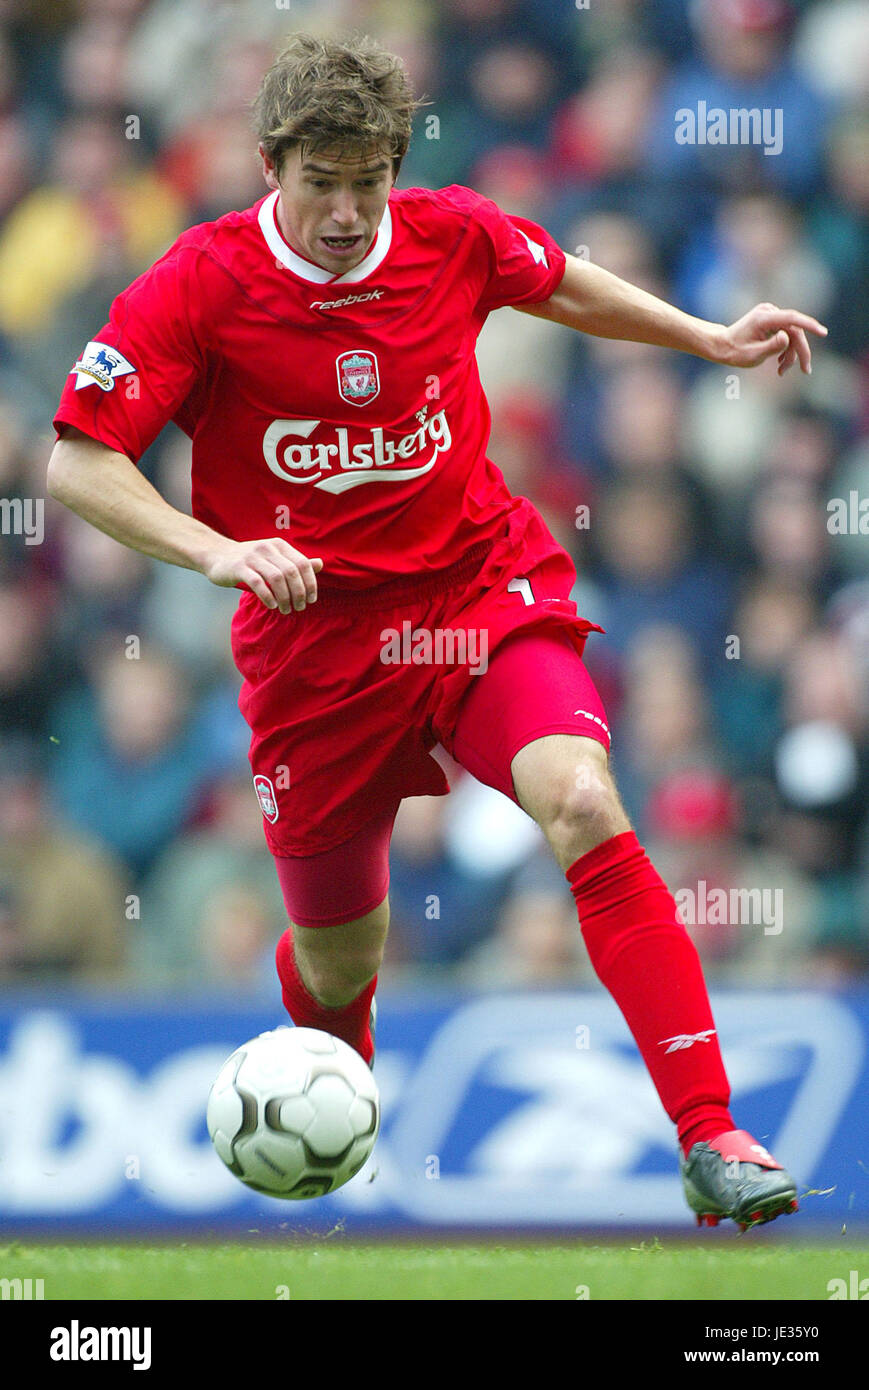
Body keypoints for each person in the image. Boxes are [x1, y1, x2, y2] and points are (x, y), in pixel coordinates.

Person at [48, 32, 827, 1230]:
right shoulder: (200, 285)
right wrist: (216, 550)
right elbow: (77, 458)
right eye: (324, 184)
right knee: (342, 960)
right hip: (313, 649)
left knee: (580, 798)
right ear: (268, 165)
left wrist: (705, 338)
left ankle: (709, 1132)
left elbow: (555, 275)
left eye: (371, 181)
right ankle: (334, 1091)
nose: (351, 211)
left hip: (474, 590)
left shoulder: (447, 231)